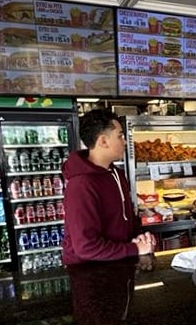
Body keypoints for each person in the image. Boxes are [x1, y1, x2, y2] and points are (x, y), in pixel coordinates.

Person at [62, 109, 155, 264]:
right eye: (120, 136)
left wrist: (139, 238)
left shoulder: (117, 174)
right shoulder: (81, 186)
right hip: (90, 273)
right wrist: (136, 249)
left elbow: (126, 219)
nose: (125, 142)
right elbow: (86, 247)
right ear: (103, 141)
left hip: (117, 263)